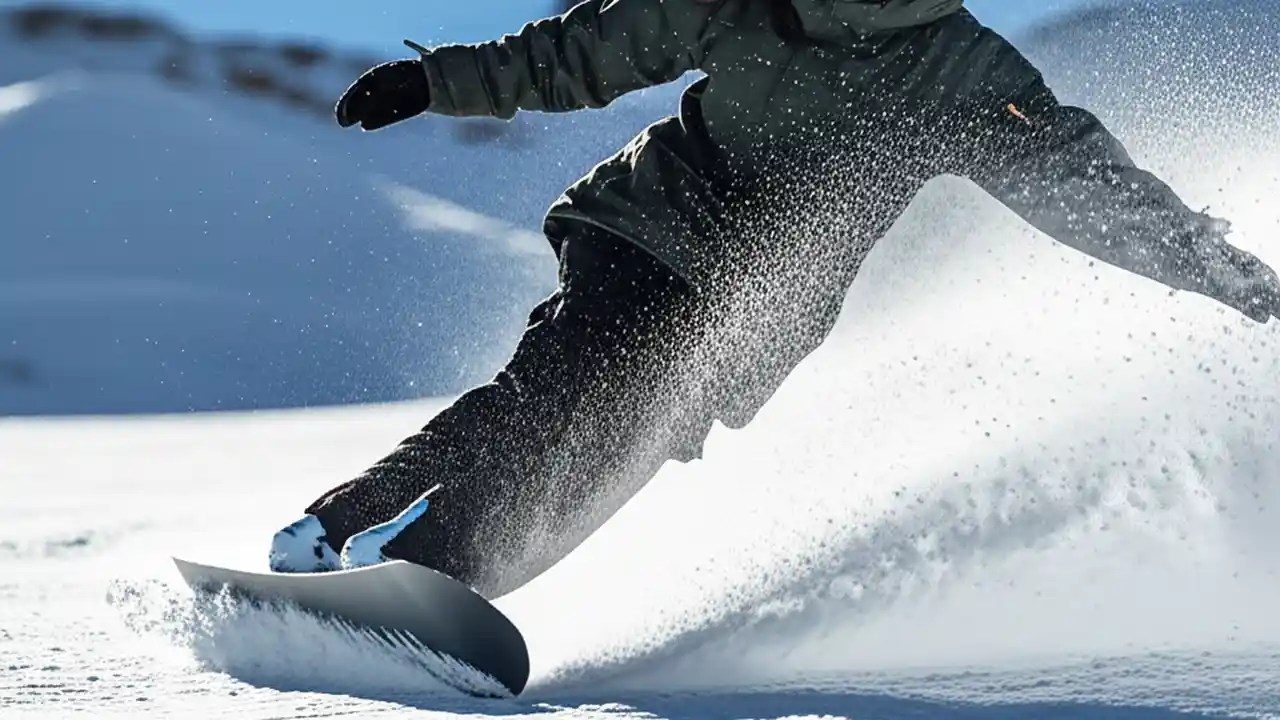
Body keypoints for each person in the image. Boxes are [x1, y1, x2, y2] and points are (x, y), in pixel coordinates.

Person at [268, 0, 1280, 598]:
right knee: (573, 377)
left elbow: (1076, 183)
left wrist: (1220, 271)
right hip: (647, 226)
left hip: (751, 305)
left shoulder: (963, 69)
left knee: (623, 441)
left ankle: (441, 579)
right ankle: (343, 533)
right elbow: (585, 51)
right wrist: (435, 83)